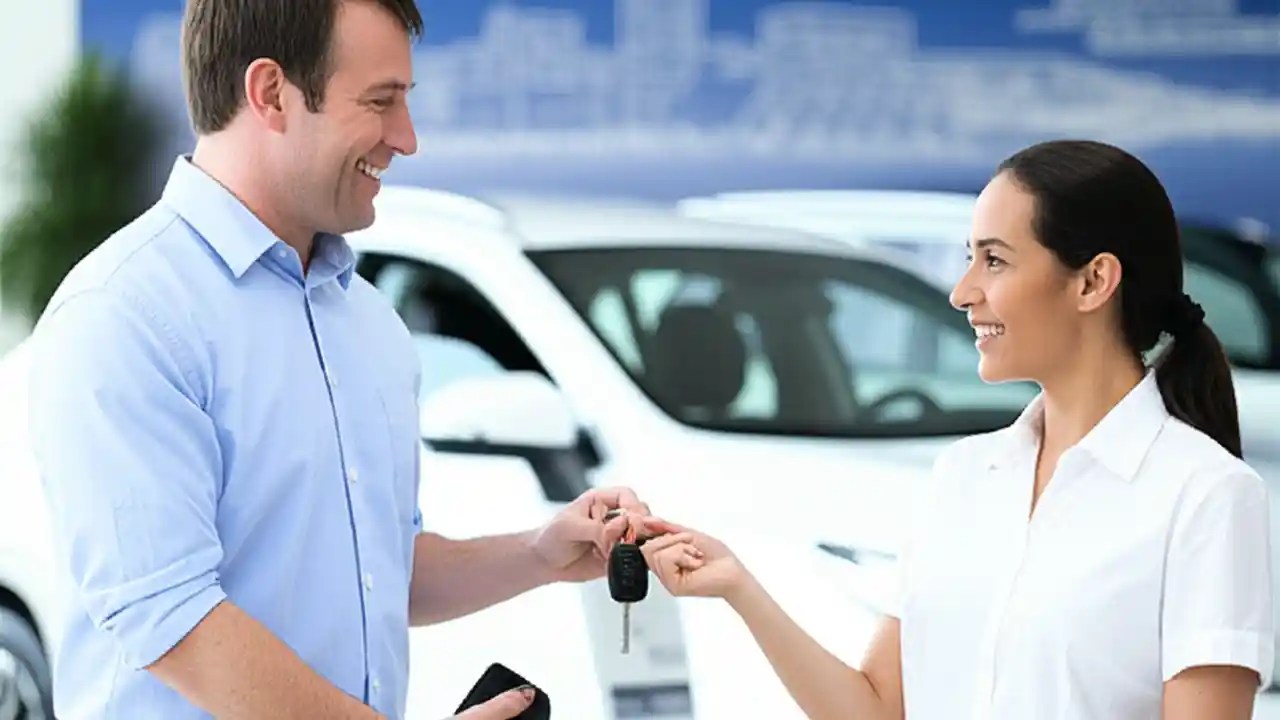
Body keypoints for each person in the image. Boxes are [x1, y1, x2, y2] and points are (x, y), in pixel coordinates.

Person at [25, 1, 656, 718]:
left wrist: (541, 553)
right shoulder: (125, 313)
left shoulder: (367, 322)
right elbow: (171, 620)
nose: (406, 139)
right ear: (270, 93)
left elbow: (382, 569)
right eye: (380, 103)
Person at [640, 139, 1274, 719]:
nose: (962, 291)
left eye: (993, 261)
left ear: (1093, 281)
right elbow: (879, 710)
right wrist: (738, 586)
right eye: (970, 258)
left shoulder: (1206, 495)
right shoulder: (963, 477)